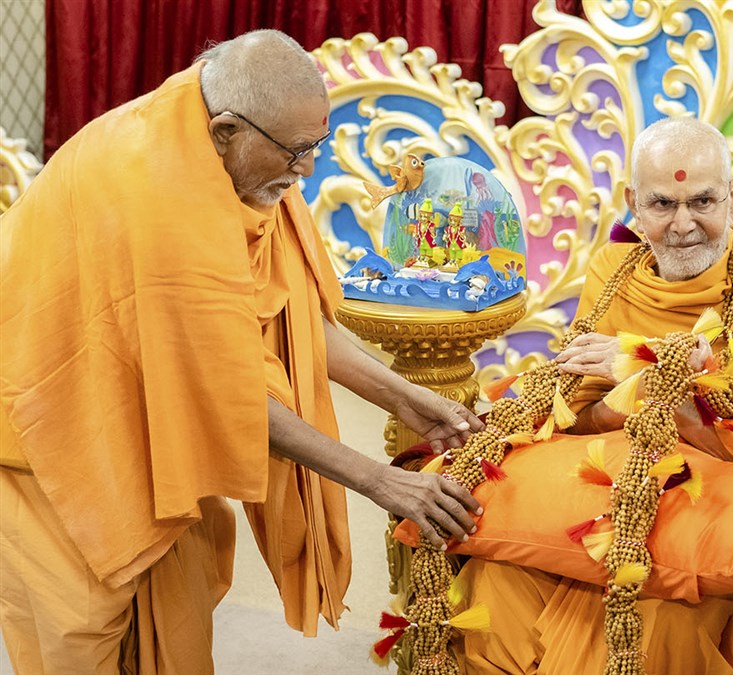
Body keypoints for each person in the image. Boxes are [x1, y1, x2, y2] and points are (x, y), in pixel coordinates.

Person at [0, 30, 485, 674]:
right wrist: (378, 480)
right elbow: (223, 395)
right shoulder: (154, 195)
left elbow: (293, 321)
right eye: (296, 150)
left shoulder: (236, 162)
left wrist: (407, 398)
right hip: (61, 434)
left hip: (155, 420)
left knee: (175, 619)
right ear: (228, 129)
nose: (308, 170)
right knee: (87, 635)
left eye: (319, 145)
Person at [456, 117, 733, 674]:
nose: (683, 225)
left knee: (645, 622)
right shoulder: (614, 269)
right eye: (662, 204)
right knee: (498, 586)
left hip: (702, 521)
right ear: (633, 202)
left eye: (702, 201)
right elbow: (577, 414)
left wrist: (652, 375)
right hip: (600, 491)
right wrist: (630, 395)